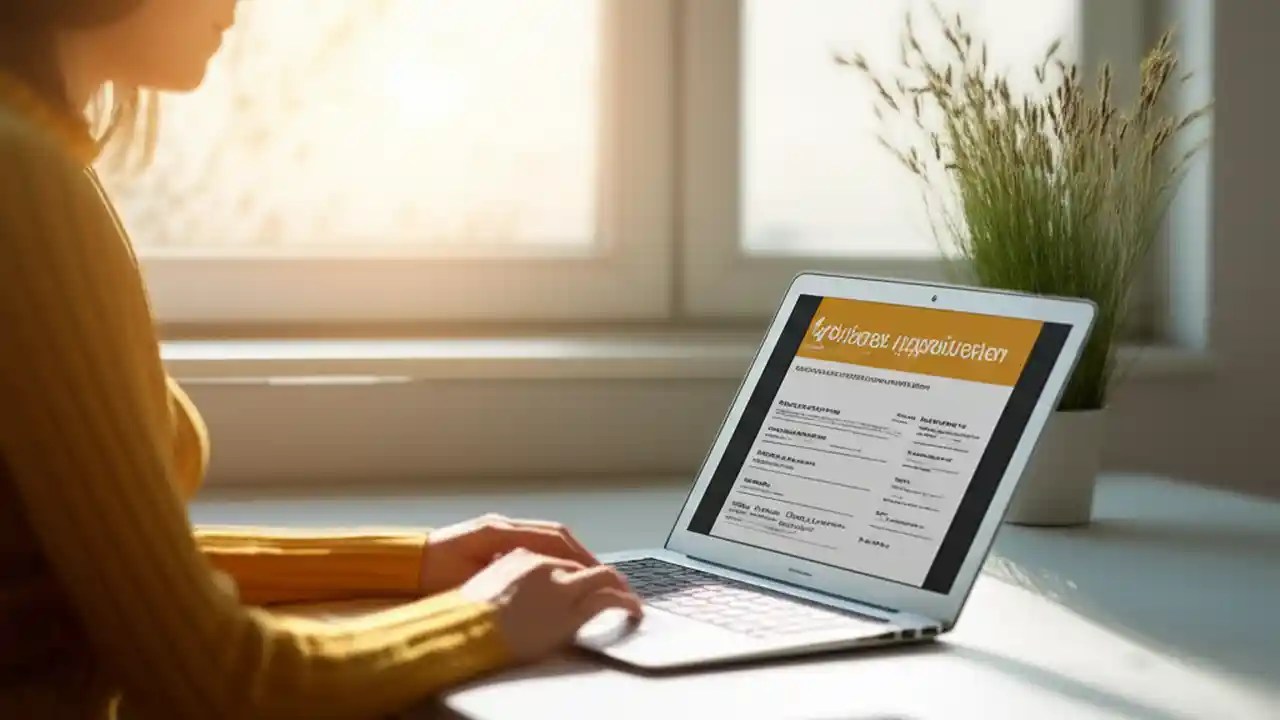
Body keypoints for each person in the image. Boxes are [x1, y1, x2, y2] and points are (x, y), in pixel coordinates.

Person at [0, 1, 644, 717]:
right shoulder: (24, 180)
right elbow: (218, 678)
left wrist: (409, 561)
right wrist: (484, 620)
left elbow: (95, 573)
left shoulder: (39, 157)